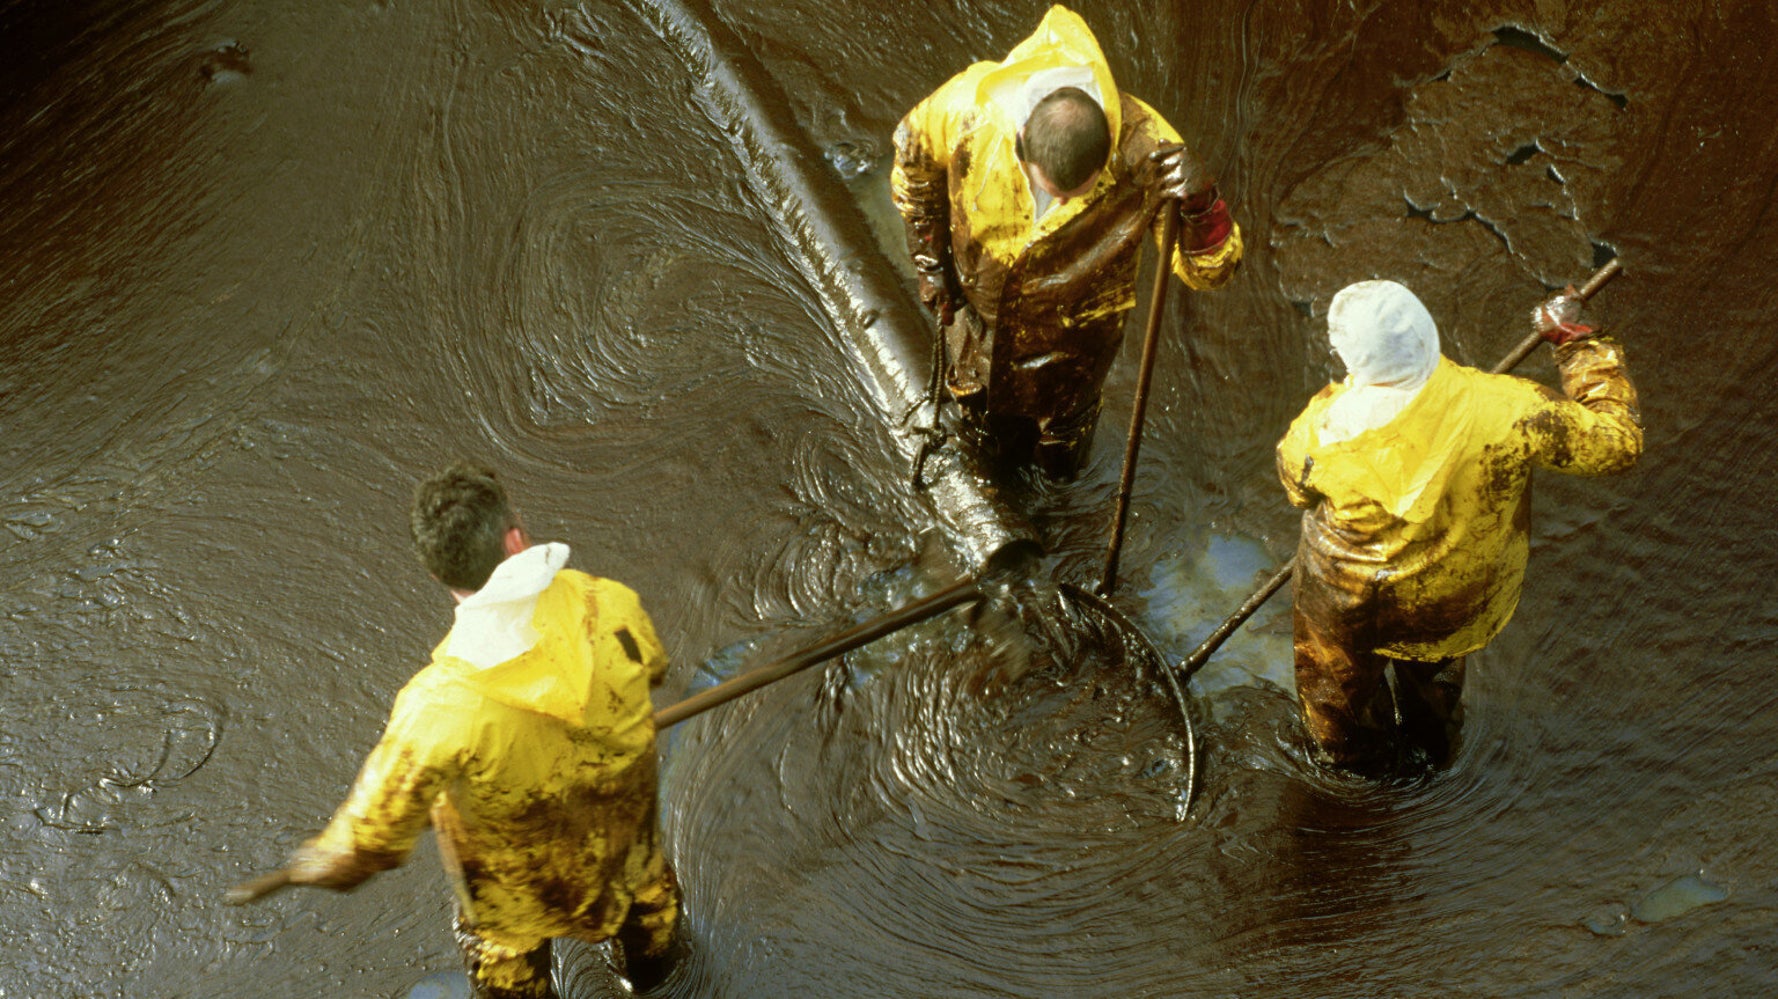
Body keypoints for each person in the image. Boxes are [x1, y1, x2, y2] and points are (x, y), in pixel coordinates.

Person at [283, 461, 680, 998]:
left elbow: (369, 843)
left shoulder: (437, 708)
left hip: (516, 898)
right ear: (516, 540)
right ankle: (652, 978)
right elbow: (653, 669)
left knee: (507, 971)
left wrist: (316, 861)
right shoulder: (610, 604)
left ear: (438, 575)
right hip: (627, 854)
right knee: (656, 948)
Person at [1276, 280, 1642, 770]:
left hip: (1344, 602)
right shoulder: (1513, 409)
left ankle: (1358, 787)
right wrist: (1580, 343)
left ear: (1349, 358)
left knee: (1339, 719)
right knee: (1434, 703)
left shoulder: (1321, 428)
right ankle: (1432, 758)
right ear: (1429, 336)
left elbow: (1298, 490)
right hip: (1446, 603)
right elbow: (1618, 443)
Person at [891, 4, 1244, 479]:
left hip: (1078, 337)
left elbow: (1209, 273)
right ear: (1020, 141)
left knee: (1063, 446)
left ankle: (1060, 482)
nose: (1058, 206)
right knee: (977, 419)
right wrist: (930, 262)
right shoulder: (965, 108)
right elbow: (913, 168)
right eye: (1052, 193)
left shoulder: (1147, 150)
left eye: (1076, 198)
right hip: (977, 313)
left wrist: (1205, 209)